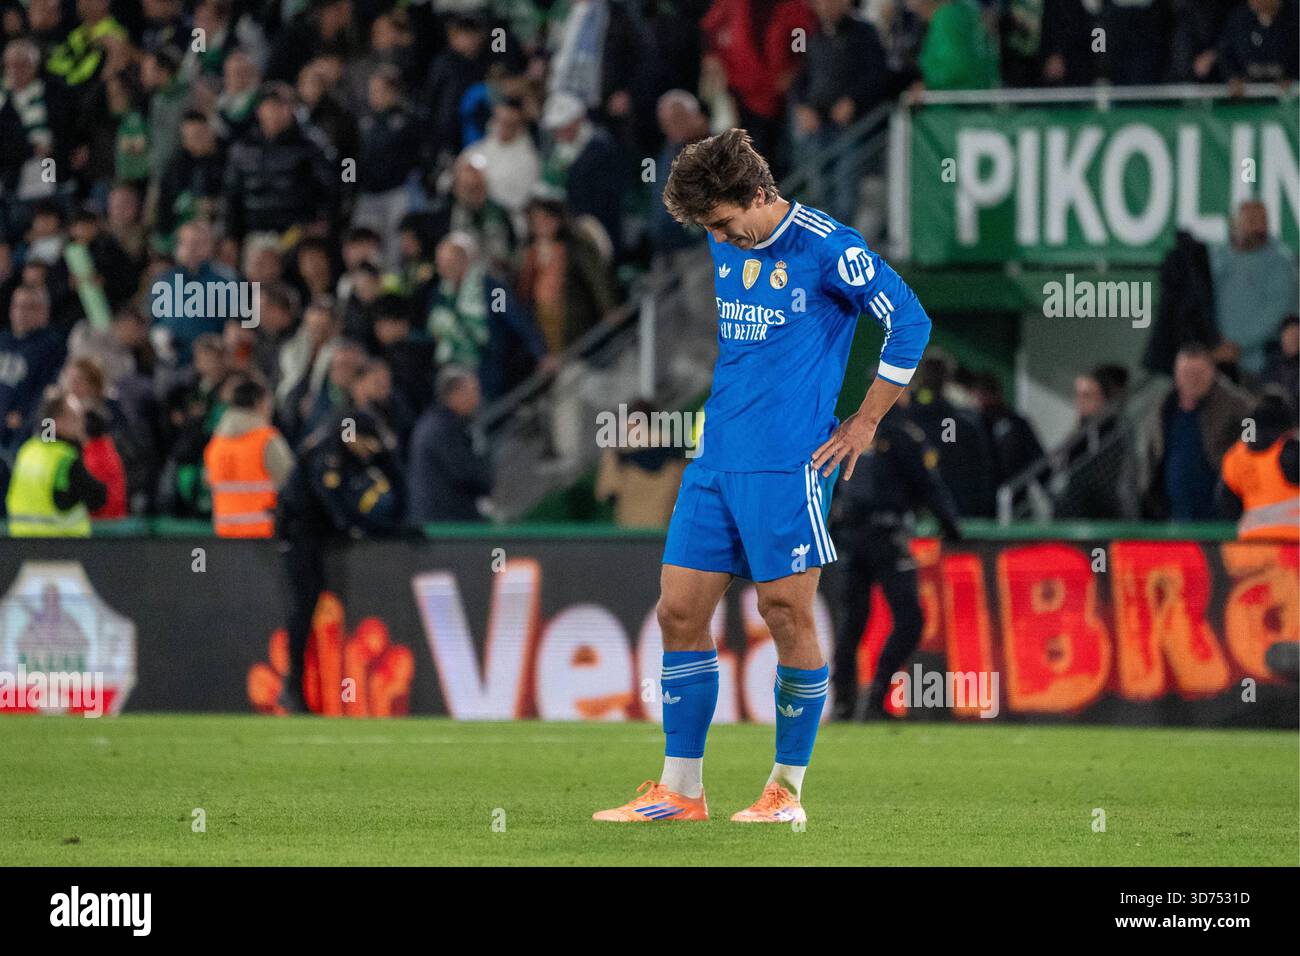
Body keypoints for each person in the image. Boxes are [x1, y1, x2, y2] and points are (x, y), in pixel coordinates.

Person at [592, 128, 931, 825]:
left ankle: (786, 792)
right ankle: (681, 791)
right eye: (709, 228)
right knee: (678, 612)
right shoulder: (726, 234)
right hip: (716, 456)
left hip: (790, 462)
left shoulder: (829, 248)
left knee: (785, 614)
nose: (720, 237)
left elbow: (910, 323)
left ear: (757, 194)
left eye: (722, 222)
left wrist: (864, 422)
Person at [828, 386, 961, 720]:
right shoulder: (903, 435)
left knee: (852, 623)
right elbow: (928, 484)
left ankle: (844, 702)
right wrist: (953, 528)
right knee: (909, 619)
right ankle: (875, 697)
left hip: (849, 538)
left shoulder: (848, 432)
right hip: (886, 537)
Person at [275, 408, 406, 713]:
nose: (370, 452)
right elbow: (343, 514)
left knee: (309, 605)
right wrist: (389, 530)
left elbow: (396, 487)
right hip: (300, 535)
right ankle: (293, 683)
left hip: (318, 536)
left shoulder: (346, 451)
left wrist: (387, 458)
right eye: (368, 443)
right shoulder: (327, 457)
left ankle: (296, 685)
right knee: (303, 605)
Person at [1139, 343, 1254, 520]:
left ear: (1212, 372)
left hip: (1221, 513)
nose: (1192, 380)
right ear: (1176, 374)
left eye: (1198, 374)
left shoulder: (1237, 405)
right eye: (1186, 374)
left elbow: (1253, 444)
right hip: (1174, 515)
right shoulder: (1164, 407)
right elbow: (1153, 455)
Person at [5, 387, 107, 536]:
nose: (81, 425)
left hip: (21, 546)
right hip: (58, 549)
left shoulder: (27, 451)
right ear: (58, 422)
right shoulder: (65, 459)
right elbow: (98, 498)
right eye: (76, 418)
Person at [204, 377, 293, 538]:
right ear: (259, 403)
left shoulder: (216, 444)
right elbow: (291, 482)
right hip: (264, 535)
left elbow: (208, 481)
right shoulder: (266, 440)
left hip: (225, 534)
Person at [406, 365, 492, 524]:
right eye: (473, 391)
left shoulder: (446, 423)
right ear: (455, 394)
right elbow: (465, 472)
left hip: (448, 519)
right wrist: (486, 479)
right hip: (443, 524)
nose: (478, 398)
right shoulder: (439, 429)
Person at [1218, 391, 1299, 542]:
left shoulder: (1235, 456)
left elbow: (1225, 504)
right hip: (1292, 546)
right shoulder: (1292, 451)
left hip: (1251, 545)